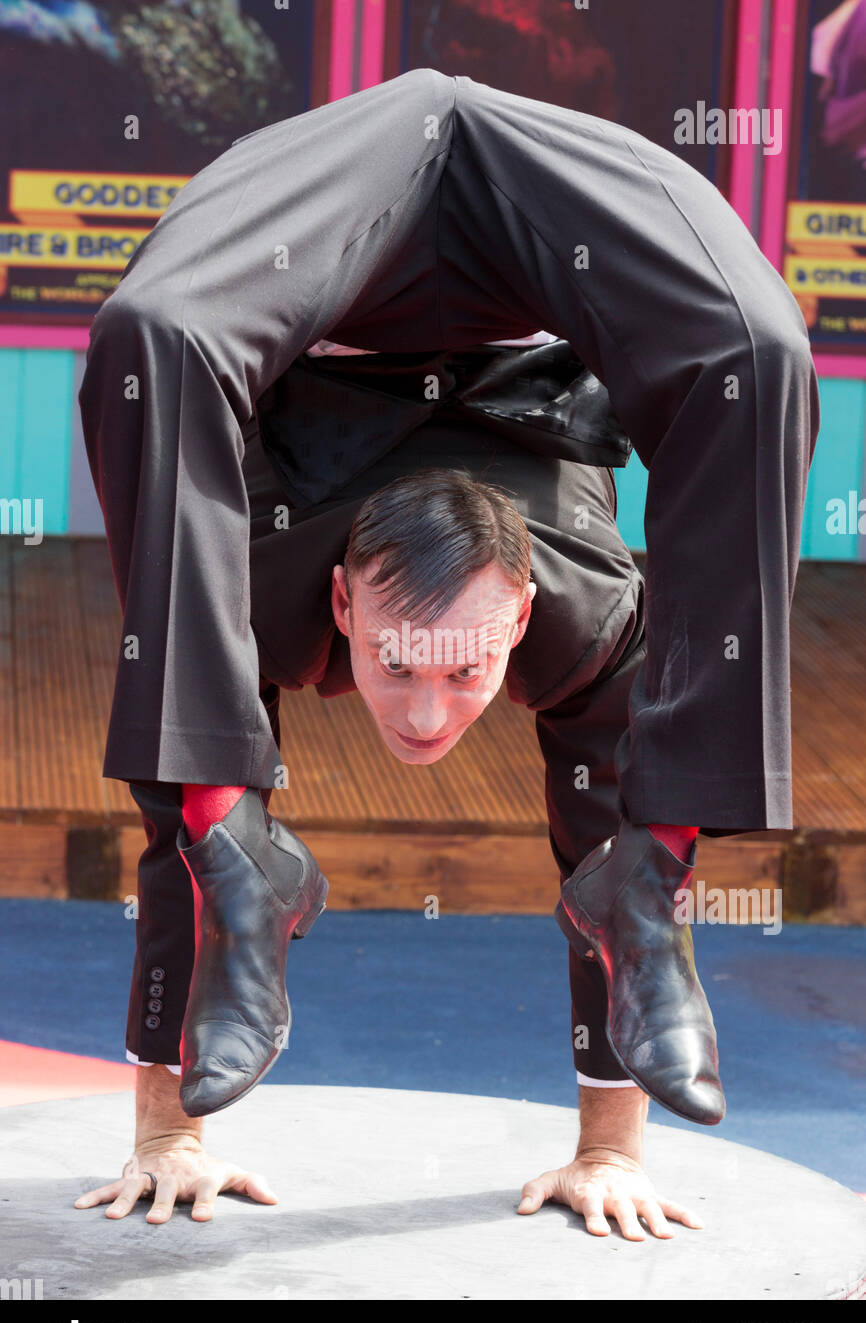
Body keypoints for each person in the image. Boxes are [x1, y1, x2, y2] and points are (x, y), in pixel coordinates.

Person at [75, 68, 819, 1226]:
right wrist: (169, 1131)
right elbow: (171, 803)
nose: (425, 717)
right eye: (397, 668)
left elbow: (596, 805)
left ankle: (659, 869)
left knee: (759, 351)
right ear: (338, 609)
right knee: (148, 334)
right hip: (333, 237)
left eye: (462, 671)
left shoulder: (577, 619)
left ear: (517, 620)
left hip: (544, 243)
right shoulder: (262, 594)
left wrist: (610, 1151)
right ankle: (249, 853)